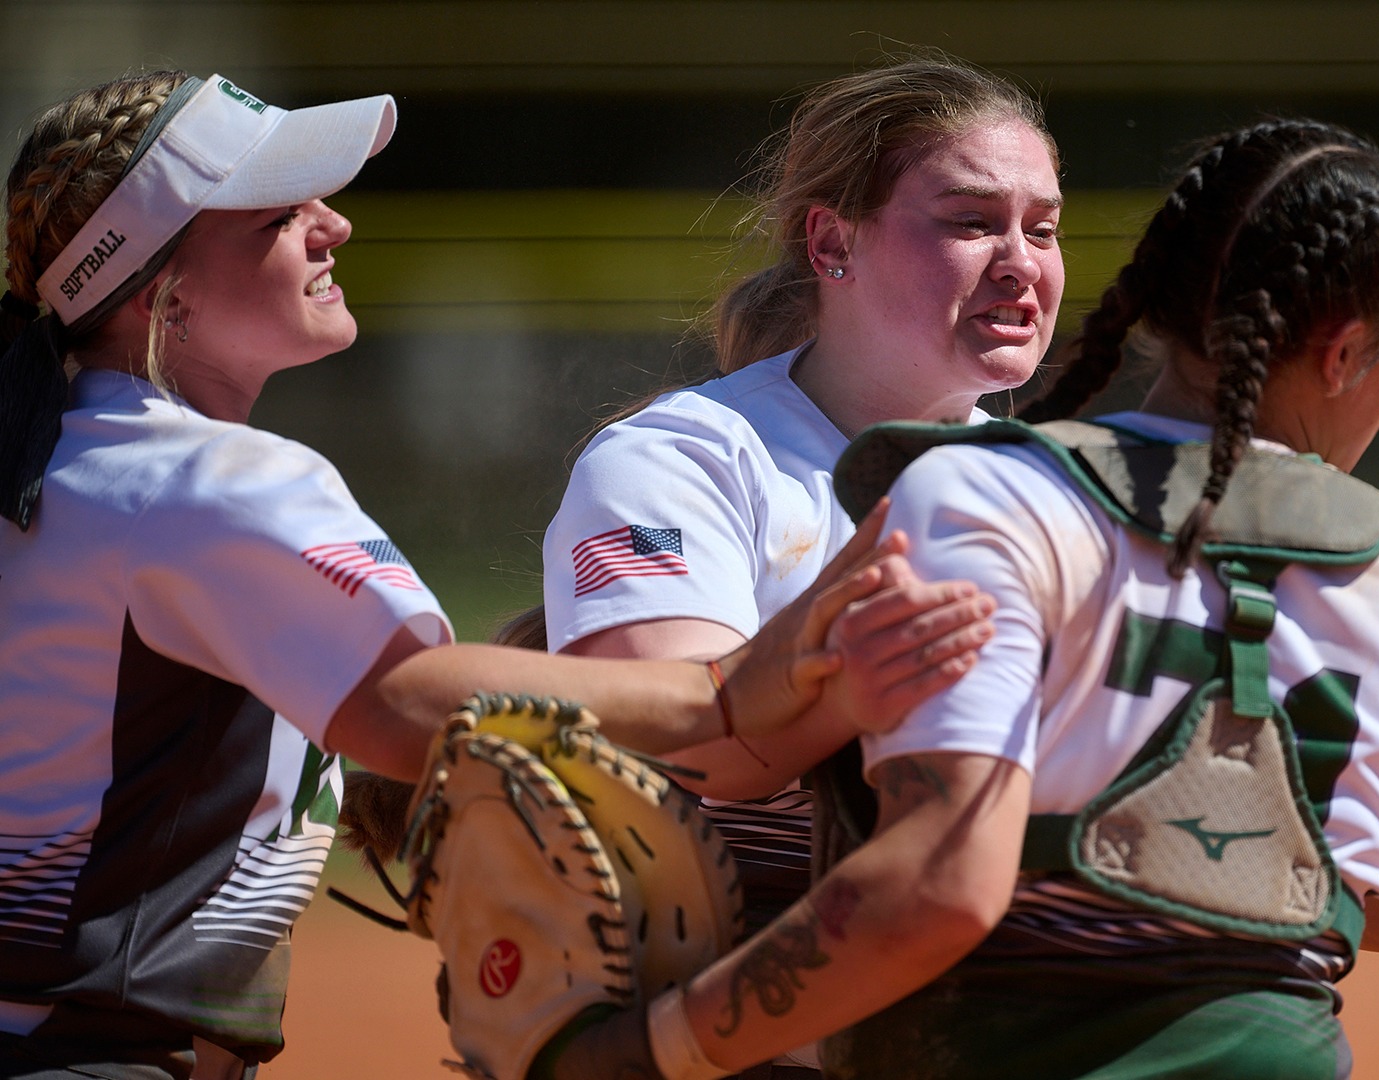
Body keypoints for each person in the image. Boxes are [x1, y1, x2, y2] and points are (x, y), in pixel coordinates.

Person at [0, 71, 993, 1080]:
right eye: (278, 216)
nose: (332, 226)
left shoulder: (65, 464)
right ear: (159, 288)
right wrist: (729, 690)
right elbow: (405, 705)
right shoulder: (200, 478)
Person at [532, 115, 1379, 1080]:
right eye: (971, 222)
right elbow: (675, 750)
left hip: (854, 1025)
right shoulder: (698, 457)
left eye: (1044, 228)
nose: (1020, 262)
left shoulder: (1013, 497)